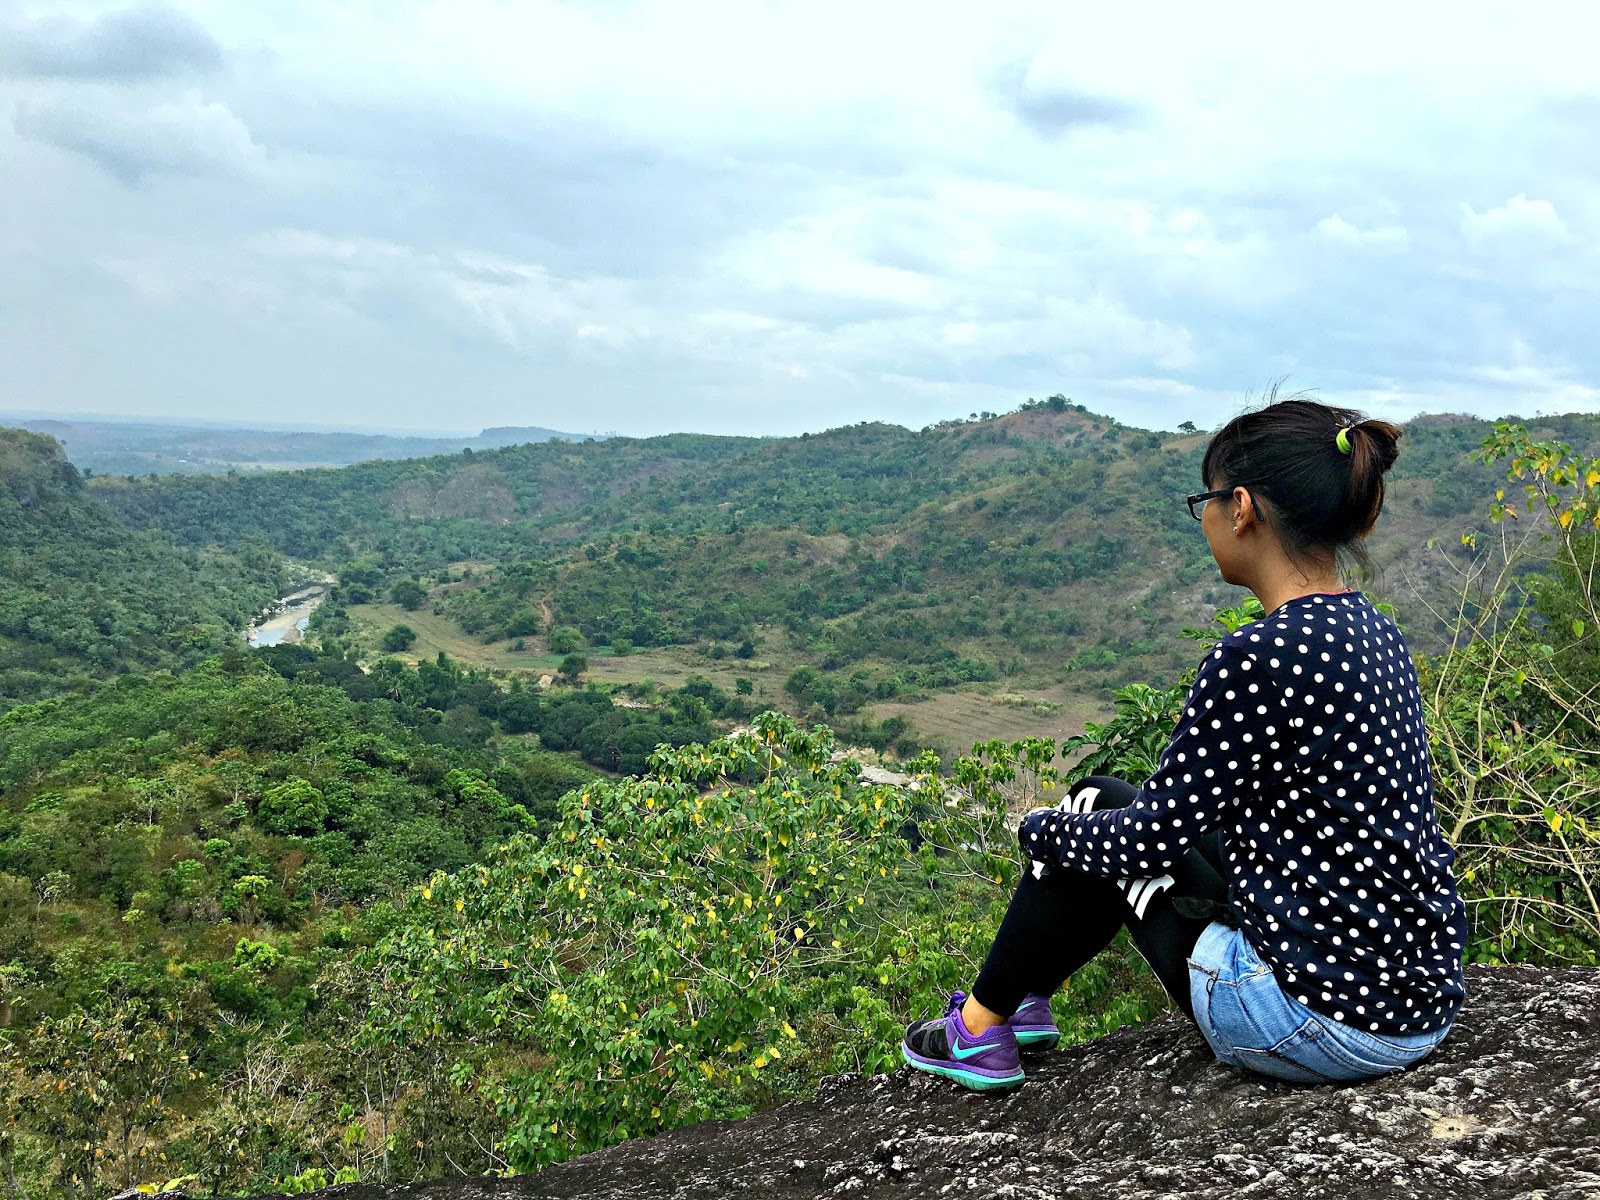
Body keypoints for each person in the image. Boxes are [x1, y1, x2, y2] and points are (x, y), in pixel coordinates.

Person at [902, 396, 1468, 1090]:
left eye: (1204, 498)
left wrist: (1037, 830)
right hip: (1417, 1001)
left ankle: (980, 1029)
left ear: (1241, 509)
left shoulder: (1255, 658)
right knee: (1104, 797)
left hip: (1317, 1022)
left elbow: (1145, 845)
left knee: (1083, 821)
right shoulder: (1374, 632)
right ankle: (1013, 1006)